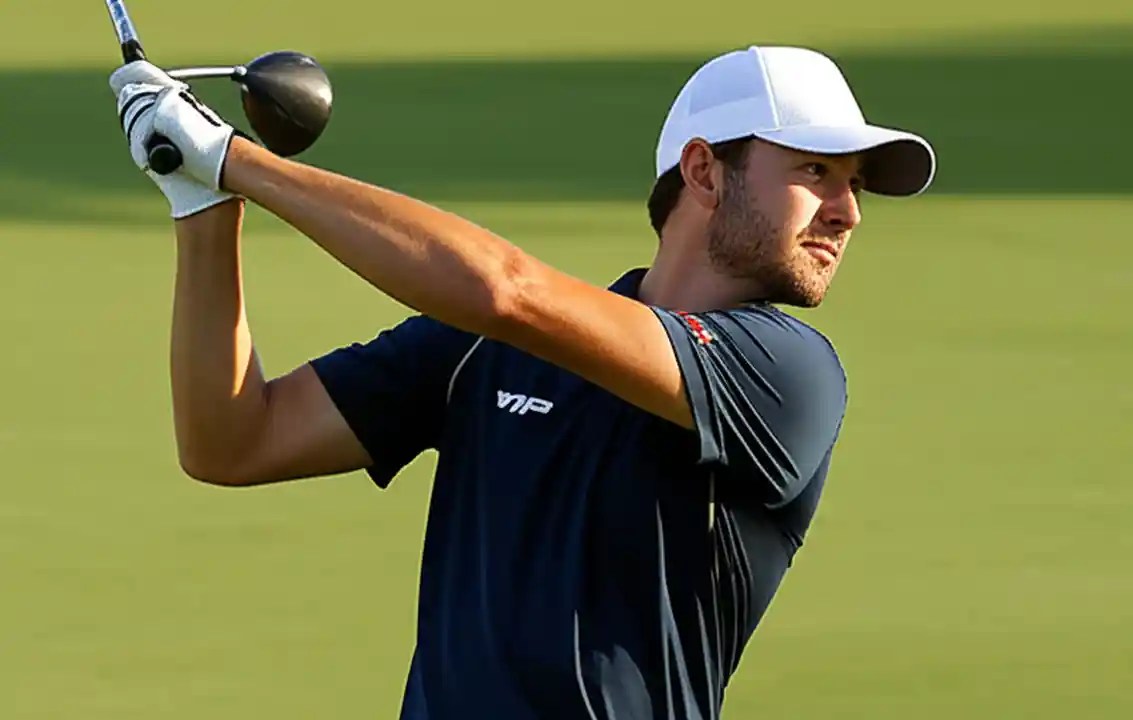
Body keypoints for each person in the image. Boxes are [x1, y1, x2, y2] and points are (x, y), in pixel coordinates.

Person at [108, 44, 935, 719]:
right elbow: (231, 441)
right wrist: (202, 206)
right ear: (704, 172)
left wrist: (236, 162)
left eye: (854, 184)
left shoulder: (787, 373)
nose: (848, 211)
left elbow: (504, 291)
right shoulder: (486, 348)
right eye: (816, 172)